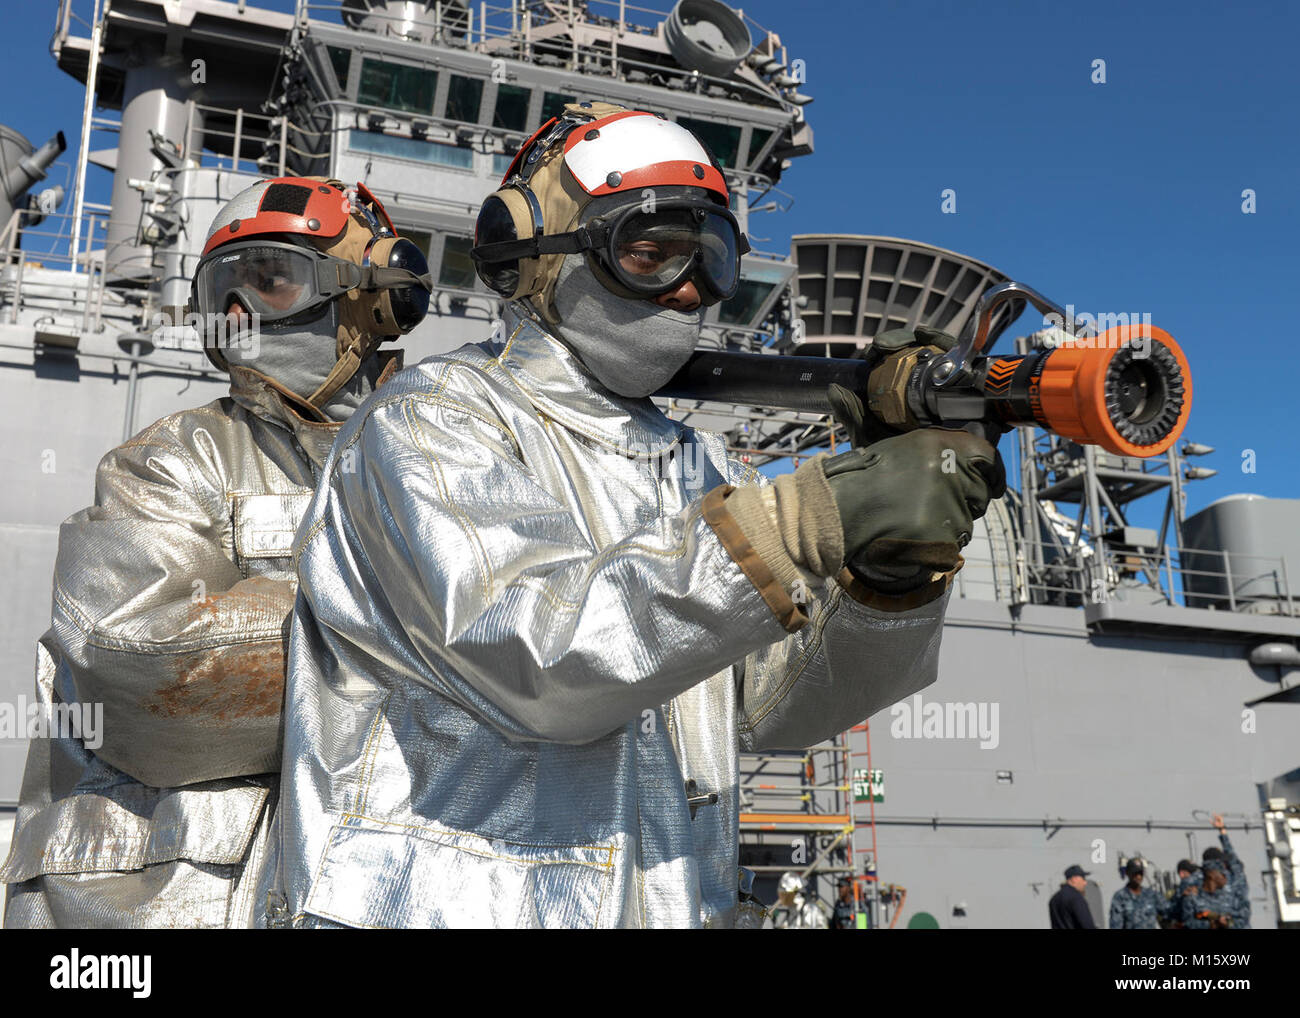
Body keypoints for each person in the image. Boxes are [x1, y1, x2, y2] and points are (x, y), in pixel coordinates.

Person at [263, 101, 1006, 928]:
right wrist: (804, 522)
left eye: (710, 256)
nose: (689, 287)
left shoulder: (705, 467)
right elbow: (538, 658)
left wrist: (883, 578)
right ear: (532, 256)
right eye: (649, 253)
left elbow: (772, 708)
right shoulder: (430, 421)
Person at [0, 176, 430, 927]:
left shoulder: (441, 466)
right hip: (176, 909)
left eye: (270, 281)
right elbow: (137, 663)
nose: (238, 314)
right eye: (223, 290)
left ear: (374, 296)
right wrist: (424, 632)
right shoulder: (167, 462)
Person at [1209, 814, 1250, 928]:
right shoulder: (1238, 877)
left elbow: (1231, 857)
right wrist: (1222, 830)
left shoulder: (1231, 880)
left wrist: (1222, 830)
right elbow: (1231, 856)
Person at [1181, 859, 1237, 929]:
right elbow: (1188, 923)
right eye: (1222, 874)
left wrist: (1227, 924)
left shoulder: (1227, 896)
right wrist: (1210, 925)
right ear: (1212, 875)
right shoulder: (1192, 896)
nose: (1226, 877)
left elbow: (1236, 920)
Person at [1108, 859, 1160, 930]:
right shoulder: (1120, 897)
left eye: (1140, 873)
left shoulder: (1151, 894)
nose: (1138, 877)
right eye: (1135, 873)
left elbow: (1168, 911)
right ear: (1128, 873)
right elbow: (1116, 925)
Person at [1049, 865, 1097, 929]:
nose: (1085, 883)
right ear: (1074, 879)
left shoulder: (1054, 899)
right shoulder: (1076, 898)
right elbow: (1087, 925)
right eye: (1083, 878)